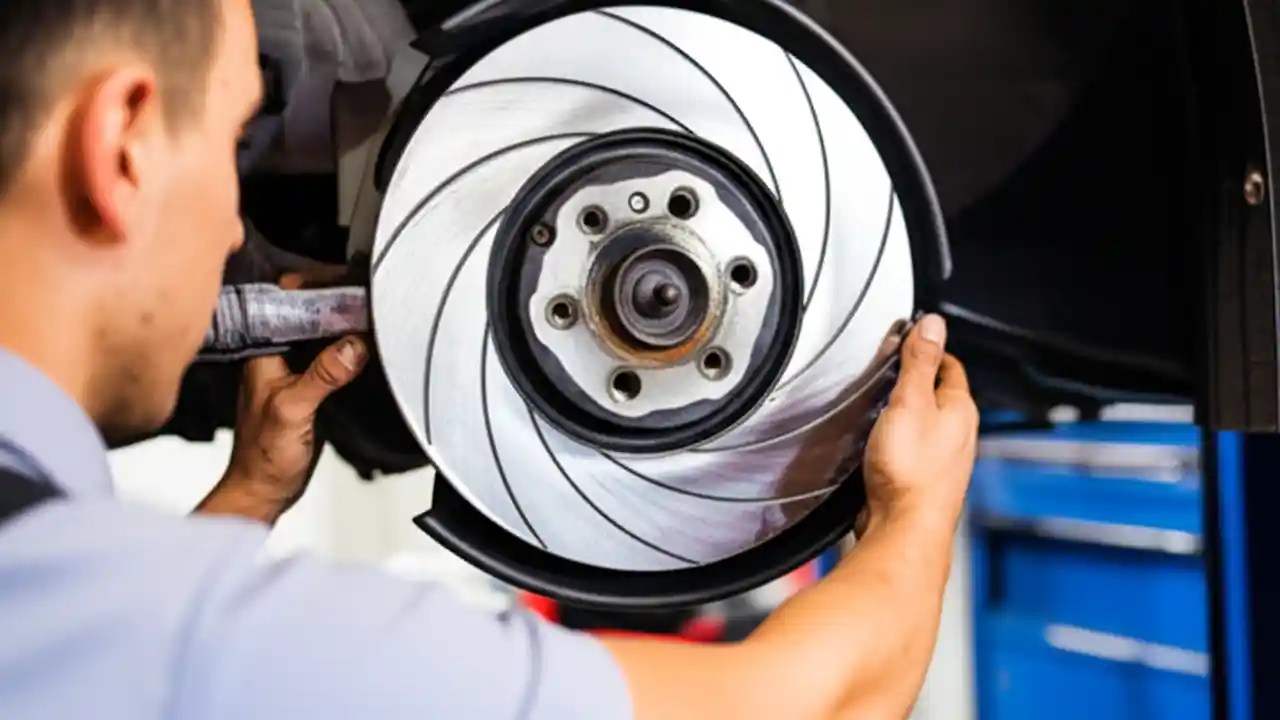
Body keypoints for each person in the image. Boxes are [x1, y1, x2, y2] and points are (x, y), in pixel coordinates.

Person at [0, 1, 979, 718]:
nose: (232, 228)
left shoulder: (72, 604)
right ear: (122, 142)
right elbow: (810, 708)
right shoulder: (146, 623)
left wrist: (246, 500)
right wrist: (917, 512)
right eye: (230, 140)